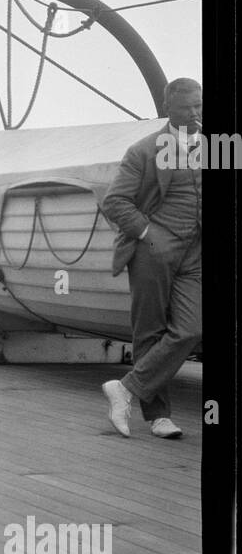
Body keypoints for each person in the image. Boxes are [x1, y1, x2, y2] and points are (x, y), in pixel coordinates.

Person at [100, 77, 202, 439]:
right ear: (168, 110)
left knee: (191, 328)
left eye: (199, 105)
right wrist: (147, 233)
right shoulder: (143, 150)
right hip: (152, 249)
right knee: (150, 330)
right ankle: (159, 417)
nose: (195, 113)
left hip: (194, 253)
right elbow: (114, 202)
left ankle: (125, 389)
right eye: (187, 107)